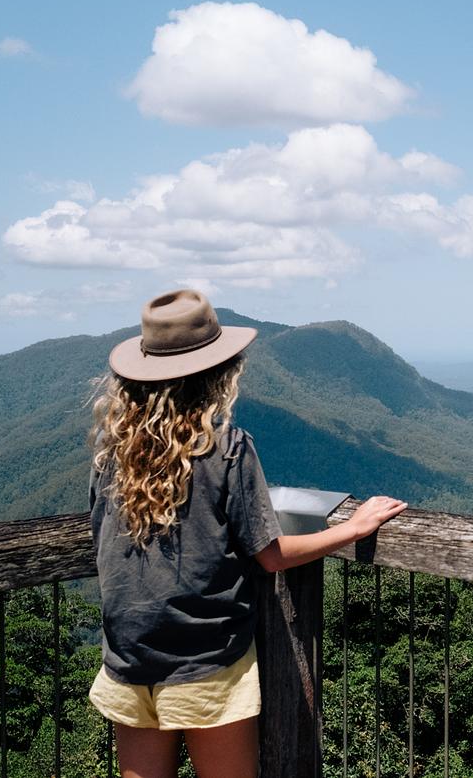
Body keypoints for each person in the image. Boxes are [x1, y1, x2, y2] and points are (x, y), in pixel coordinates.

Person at [86, 289, 406, 778]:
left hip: (129, 655)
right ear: (218, 372)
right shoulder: (227, 447)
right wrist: (355, 527)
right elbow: (271, 555)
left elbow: (101, 542)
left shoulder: (113, 453)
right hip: (205, 657)